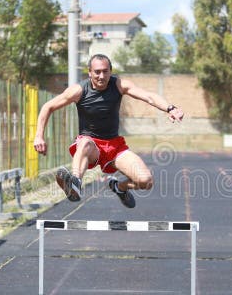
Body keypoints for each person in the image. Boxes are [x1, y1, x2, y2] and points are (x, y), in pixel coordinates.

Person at [33, 53, 184, 208]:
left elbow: (149, 97)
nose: (101, 76)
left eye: (105, 71)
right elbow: (48, 106)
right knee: (84, 143)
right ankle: (75, 183)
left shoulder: (119, 85)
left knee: (145, 181)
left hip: (115, 146)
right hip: (92, 145)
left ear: (110, 71)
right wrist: (39, 136)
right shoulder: (78, 91)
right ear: (90, 72)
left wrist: (170, 108)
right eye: (97, 72)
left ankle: (120, 188)